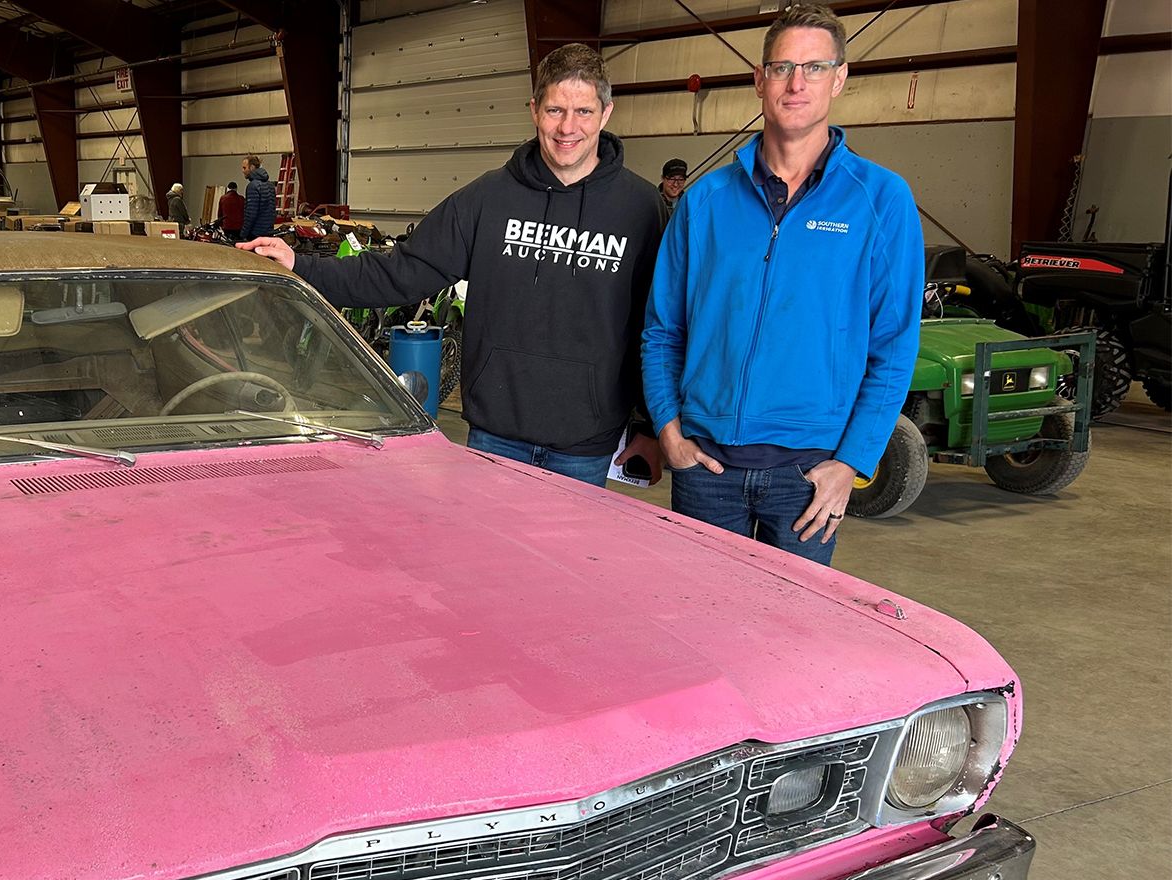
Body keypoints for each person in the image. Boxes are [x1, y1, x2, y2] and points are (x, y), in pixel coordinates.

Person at [239, 43, 665, 488]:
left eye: (583, 111)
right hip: (495, 435)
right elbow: (401, 272)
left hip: (587, 444)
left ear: (606, 114)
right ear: (534, 109)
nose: (568, 128)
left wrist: (648, 426)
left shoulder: (640, 208)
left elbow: (657, 326)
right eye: (555, 110)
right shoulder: (488, 199)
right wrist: (301, 265)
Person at [641, 3, 922, 565]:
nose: (797, 83)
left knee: (791, 643)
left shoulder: (881, 201)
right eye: (781, 67)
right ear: (758, 80)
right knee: (693, 629)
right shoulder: (705, 202)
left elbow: (893, 346)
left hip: (809, 477)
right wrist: (669, 430)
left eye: (814, 68)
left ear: (839, 78)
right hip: (705, 467)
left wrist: (852, 463)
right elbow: (661, 329)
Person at [239, 155, 275, 240]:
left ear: (251, 167)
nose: (242, 171)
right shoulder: (270, 185)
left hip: (255, 234)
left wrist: (243, 234)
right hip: (268, 232)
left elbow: (251, 213)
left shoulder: (253, 186)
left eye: (244, 168)